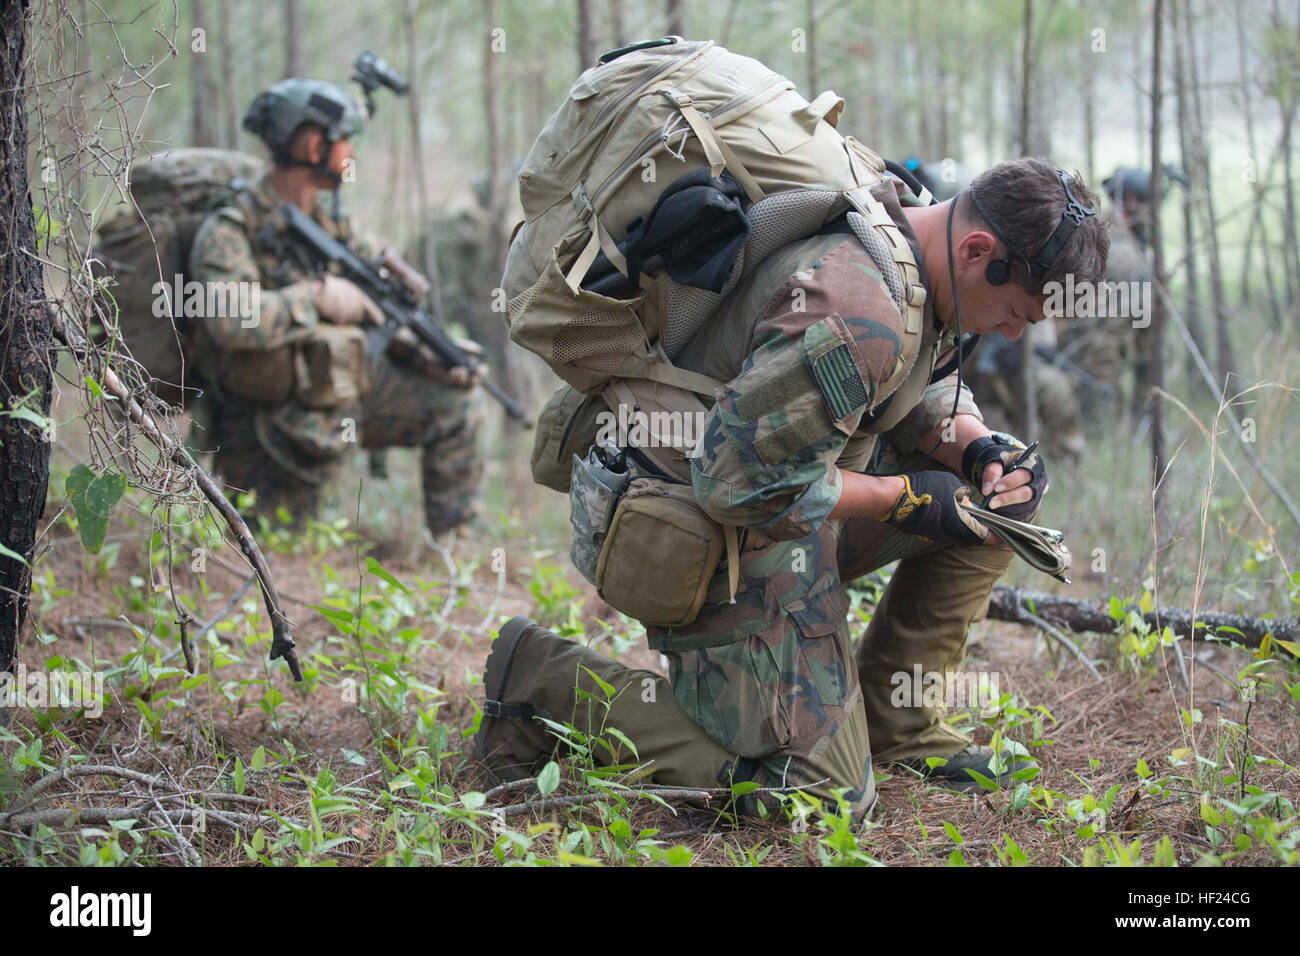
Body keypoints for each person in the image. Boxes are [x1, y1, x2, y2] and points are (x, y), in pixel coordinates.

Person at [474, 157, 1109, 822]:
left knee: (999, 509)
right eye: (1014, 313)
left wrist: (976, 446)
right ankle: (538, 675)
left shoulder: (913, 244)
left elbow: (924, 374)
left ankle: (898, 724)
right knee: (817, 802)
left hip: (779, 495)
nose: (1009, 333)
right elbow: (739, 486)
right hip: (691, 521)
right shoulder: (856, 307)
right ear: (980, 251)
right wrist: (906, 498)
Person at [187, 78, 485, 537]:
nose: (352, 153)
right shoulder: (232, 227)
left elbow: (384, 310)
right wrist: (317, 297)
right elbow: (230, 320)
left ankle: (454, 555)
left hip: (338, 396)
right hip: (267, 422)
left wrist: (427, 354)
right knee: (277, 555)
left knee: (456, 401)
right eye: (345, 140)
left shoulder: (336, 229)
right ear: (312, 145)